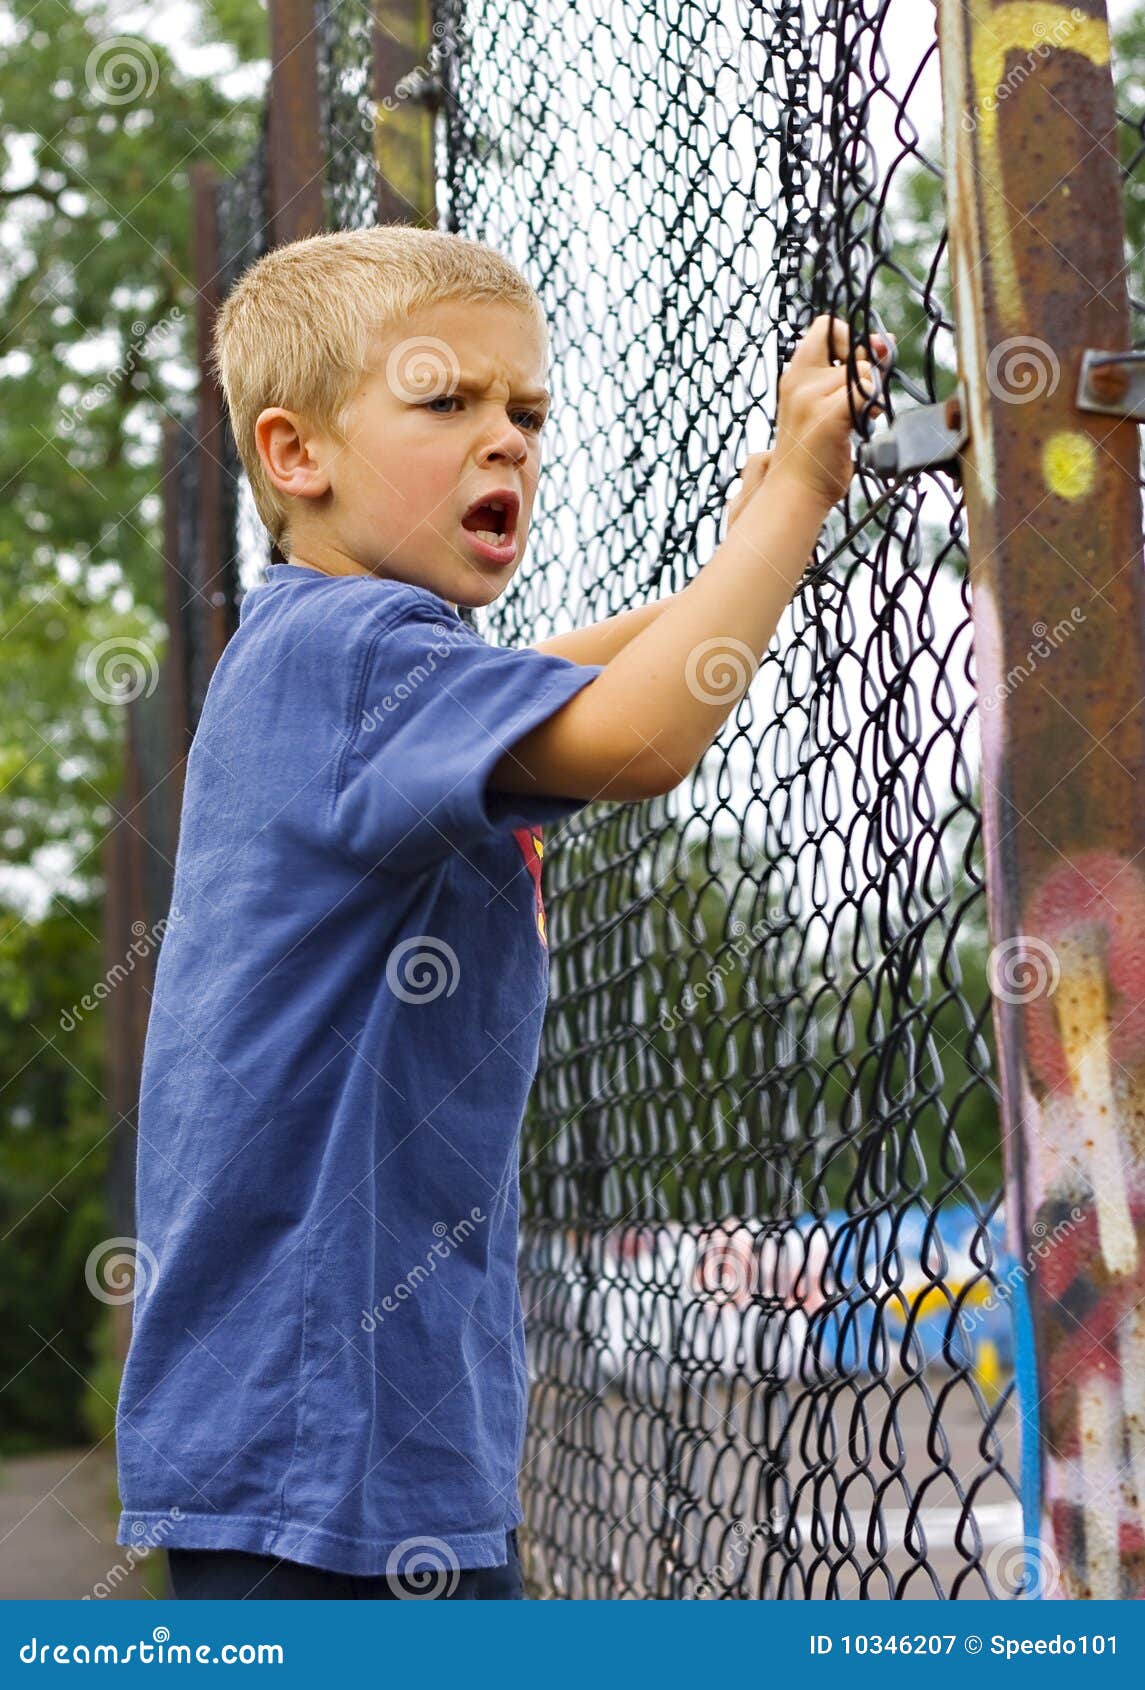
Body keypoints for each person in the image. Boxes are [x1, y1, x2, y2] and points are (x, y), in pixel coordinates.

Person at [113, 224, 889, 1600]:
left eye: (526, 409)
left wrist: (752, 541)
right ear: (298, 456)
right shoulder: (355, 652)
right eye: (446, 402)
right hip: (324, 1447)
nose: (506, 440)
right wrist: (800, 501)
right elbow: (639, 740)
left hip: (347, 1437)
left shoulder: (315, 650)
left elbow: (553, 671)